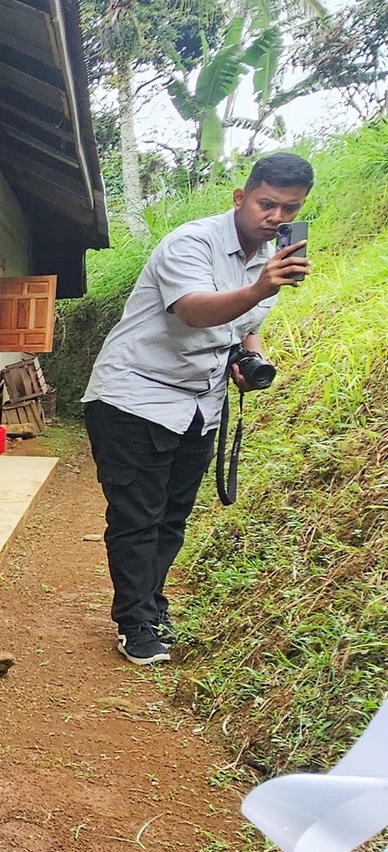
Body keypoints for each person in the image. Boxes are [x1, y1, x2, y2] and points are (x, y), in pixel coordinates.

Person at [81, 153, 312, 666]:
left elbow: (243, 325)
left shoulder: (271, 259)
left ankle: (151, 603)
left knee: (172, 516)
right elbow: (191, 310)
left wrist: (251, 354)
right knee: (138, 516)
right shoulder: (192, 243)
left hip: (198, 404)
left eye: (288, 208)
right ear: (241, 198)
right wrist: (260, 287)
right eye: (266, 203)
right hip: (134, 397)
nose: (275, 217)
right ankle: (135, 622)